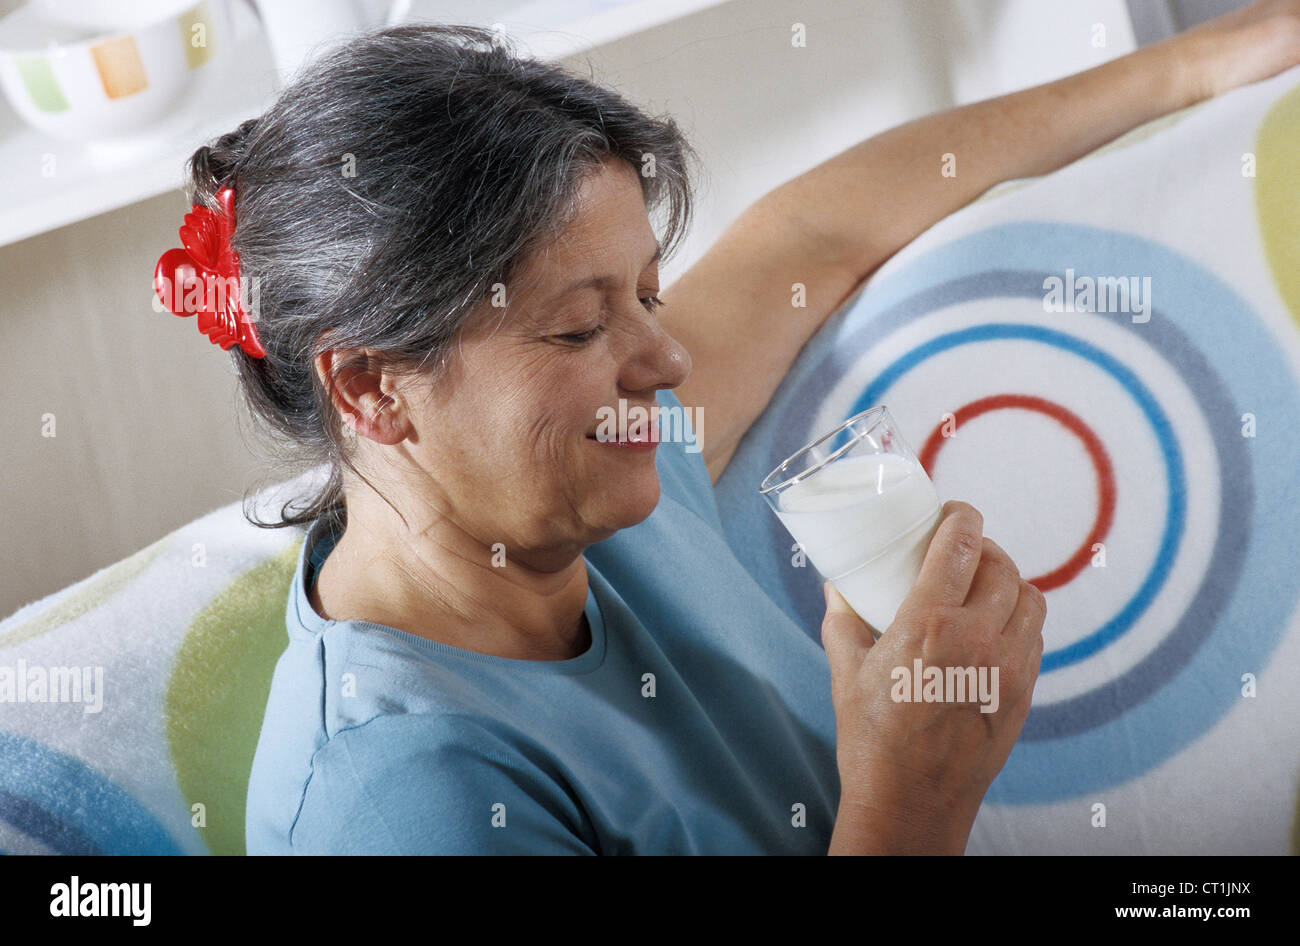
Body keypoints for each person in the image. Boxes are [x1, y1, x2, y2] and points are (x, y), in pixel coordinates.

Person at [165, 6, 1300, 854]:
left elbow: (807, 237)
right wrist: (911, 802)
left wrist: (1200, 62)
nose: (663, 364)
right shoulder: (407, 802)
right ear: (370, 388)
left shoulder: (583, 490)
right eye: (575, 329)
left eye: (646, 297)